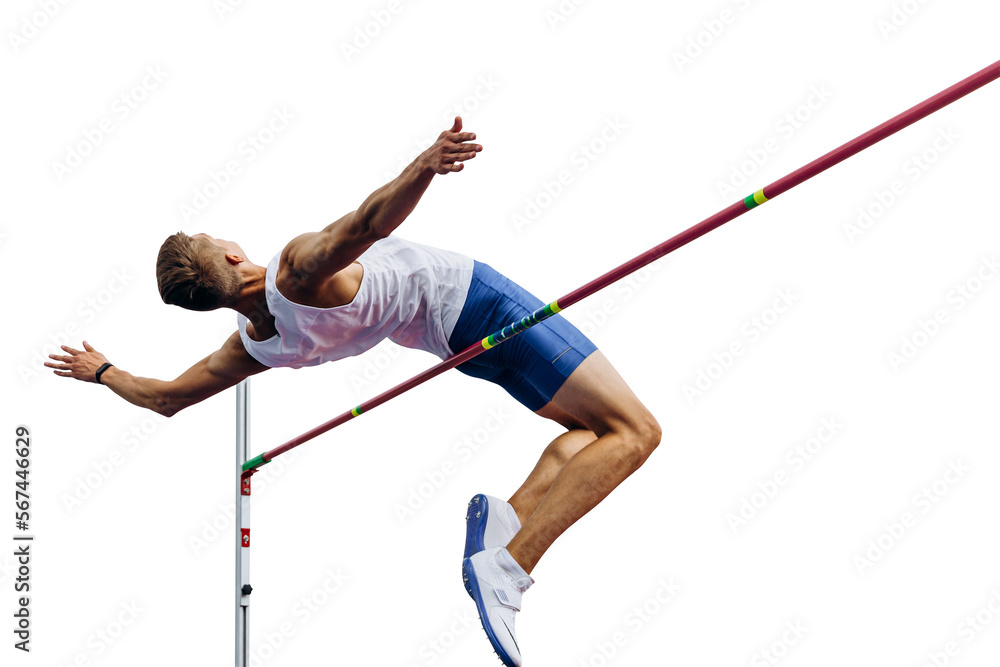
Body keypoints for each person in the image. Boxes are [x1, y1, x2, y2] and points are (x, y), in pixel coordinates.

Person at [46, 117, 661, 667]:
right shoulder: (295, 271)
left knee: (590, 433)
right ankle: (511, 565)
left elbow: (166, 398)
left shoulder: (255, 346)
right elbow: (369, 222)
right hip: (481, 302)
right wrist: (426, 163)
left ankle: (509, 521)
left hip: (455, 344)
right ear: (231, 258)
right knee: (636, 432)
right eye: (215, 237)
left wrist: (103, 372)